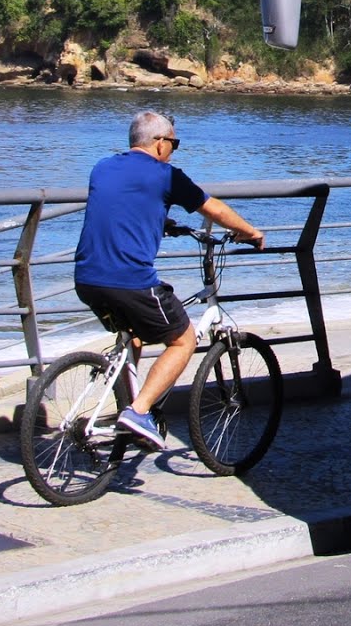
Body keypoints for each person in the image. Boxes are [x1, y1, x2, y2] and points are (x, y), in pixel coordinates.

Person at [73, 110, 264, 449]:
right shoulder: (166, 176)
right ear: (159, 143)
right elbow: (213, 209)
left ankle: (126, 411)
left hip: (86, 279)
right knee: (182, 340)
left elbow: (120, 207)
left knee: (132, 334)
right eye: (174, 143)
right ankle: (138, 411)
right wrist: (248, 231)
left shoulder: (101, 167)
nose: (174, 150)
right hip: (129, 281)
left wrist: (162, 222)